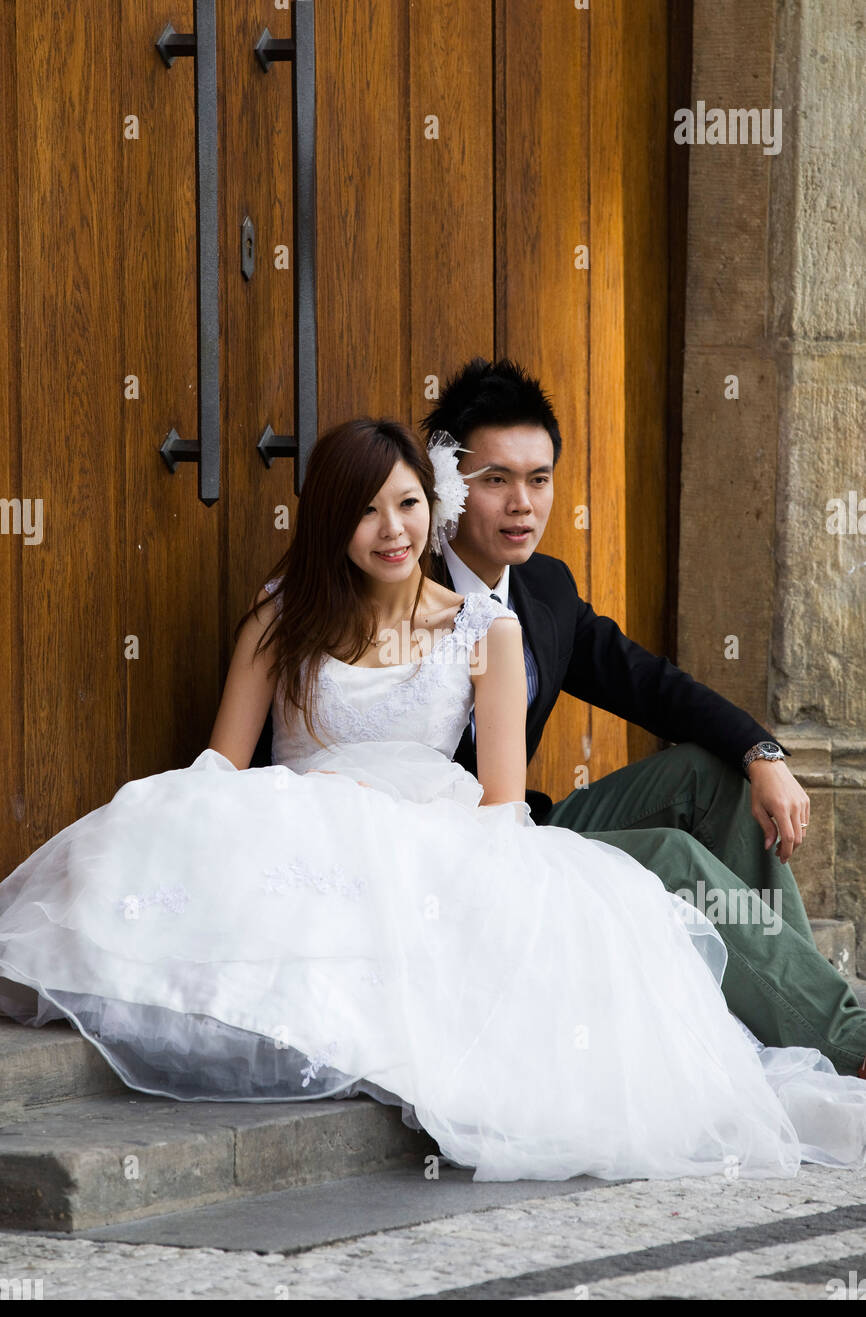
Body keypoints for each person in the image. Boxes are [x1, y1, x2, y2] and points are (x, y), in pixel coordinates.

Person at [0, 417, 864, 1183]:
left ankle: (832, 1028)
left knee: (682, 814)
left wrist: (760, 748)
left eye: (408, 505)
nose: (392, 529)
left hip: (439, 828)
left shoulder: (488, 627)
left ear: (432, 505)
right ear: (332, 521)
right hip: (308, 823)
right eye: (368, 510)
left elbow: (502, 799)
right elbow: (220, 764)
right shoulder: (280, 620)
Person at [420, 358, 866, 1081]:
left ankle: (811, 1019)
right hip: (448, 859)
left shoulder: (545, 587)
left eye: (539, 480)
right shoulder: (405, 587)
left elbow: (651, 684)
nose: (522, 504)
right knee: (669, 856)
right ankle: (848, 1041)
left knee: (715, 771)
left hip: (530, 830)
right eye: (495, 480)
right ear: (447, 483)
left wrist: (762, 752)